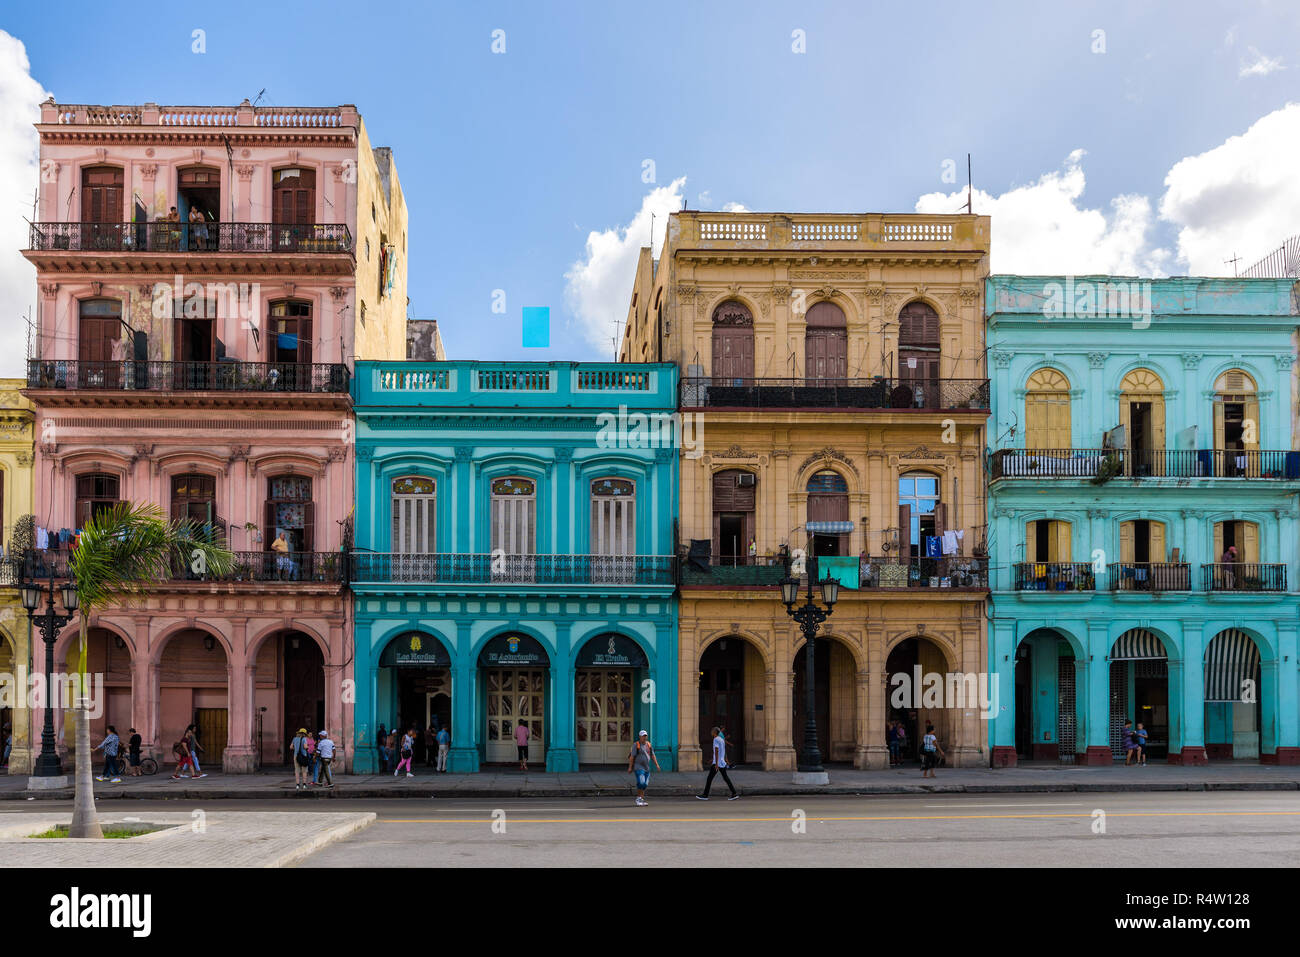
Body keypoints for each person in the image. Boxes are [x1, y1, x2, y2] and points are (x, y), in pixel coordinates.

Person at [697, 725, 739, 800]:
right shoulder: (721, 739)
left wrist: (716, 763)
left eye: (712, 731)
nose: (711, 732)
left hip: (717, 763)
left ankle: (705, 795)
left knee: (709, 779)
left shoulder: (716, 739)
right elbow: (722, 750)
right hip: (721, 762)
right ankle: (734, 793)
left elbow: (716, 751)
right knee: (725, 778)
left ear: (714, 732)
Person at [627, 730, 661, 806]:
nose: (644, 737)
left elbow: (652, 755)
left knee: (645, 784)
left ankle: (641, 799)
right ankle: (638, 798)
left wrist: (657, 765)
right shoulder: (636, 745)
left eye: (645, 736)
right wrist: (630, 767)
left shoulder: (649, 745)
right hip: (638, 767)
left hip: (647, 768)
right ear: (640, 737)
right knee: (641, 782)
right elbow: (632, 757)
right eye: (643, 736)